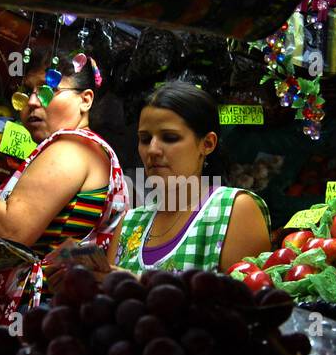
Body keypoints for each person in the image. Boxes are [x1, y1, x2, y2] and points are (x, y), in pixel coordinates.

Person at [0, 52, 127, 324]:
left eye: (47, 91)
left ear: (85, 99)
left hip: (35, 324)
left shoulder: (73, 148)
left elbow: (13, 230)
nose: (31, 102)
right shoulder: (93, 151)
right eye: (28, 91)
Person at [106, 81, 271, 273]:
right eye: (145, 139)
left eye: (169, 137)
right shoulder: (129, 224)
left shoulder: (234, 209)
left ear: (207, 144)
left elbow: (243, 302)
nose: (152, 149)